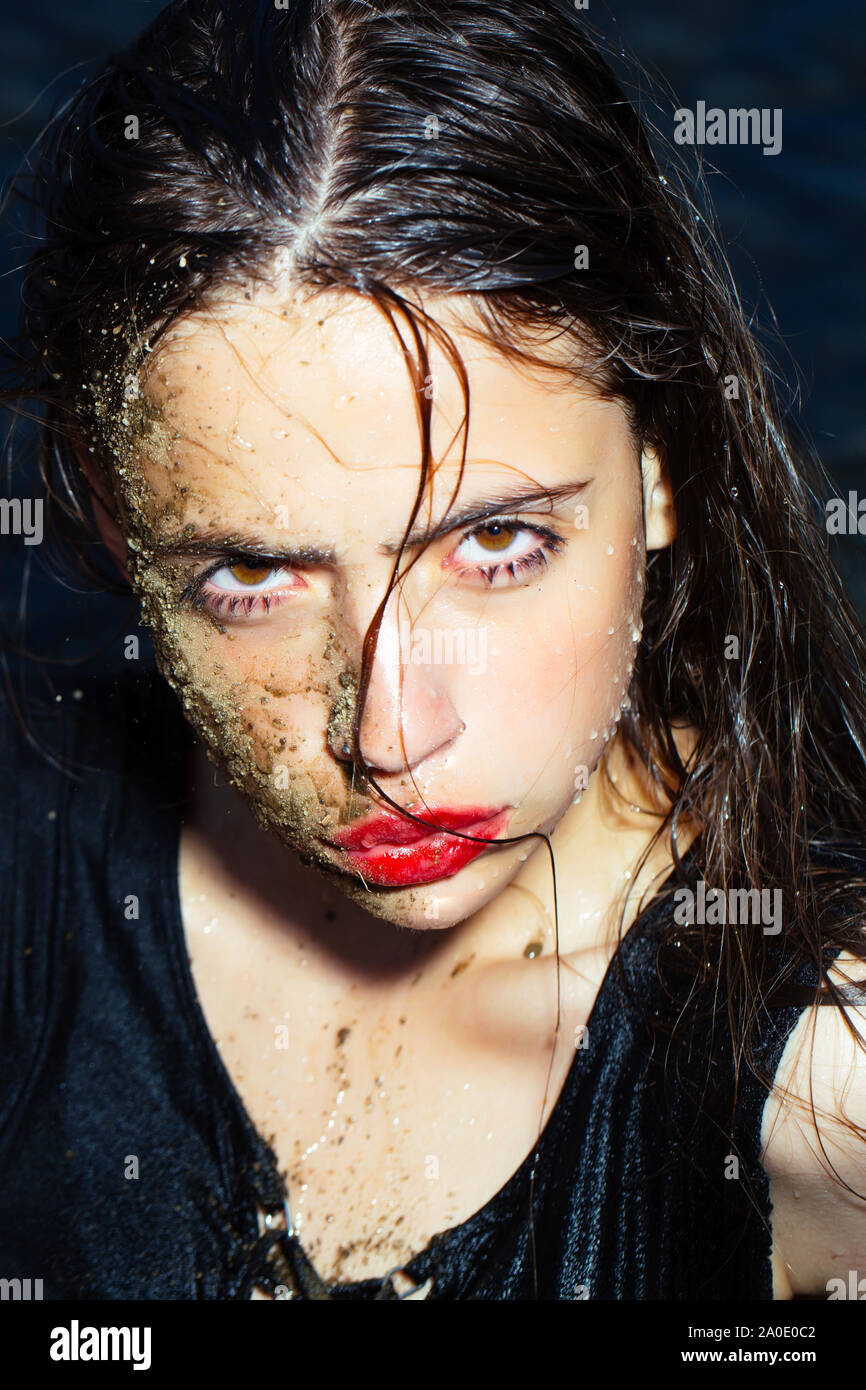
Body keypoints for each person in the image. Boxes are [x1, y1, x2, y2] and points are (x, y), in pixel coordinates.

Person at [1, 0, 865, 1302]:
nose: (391, 735)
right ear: (117, 523)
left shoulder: (825, 1093)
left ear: (661, 463)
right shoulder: (33, 862)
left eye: (498, 542)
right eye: (251, 573)